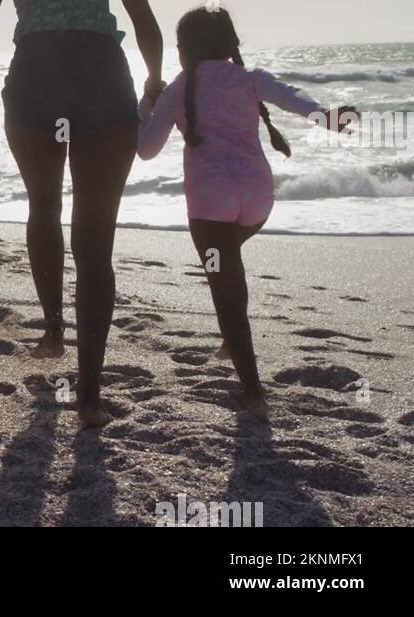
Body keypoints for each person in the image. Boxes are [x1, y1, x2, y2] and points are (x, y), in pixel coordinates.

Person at [0, 0, 164, 429]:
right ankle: (89, 398)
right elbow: (143, 17)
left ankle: (53, 331)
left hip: (36, 75)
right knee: (95, 241)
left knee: (43, 205)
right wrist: (153, 79)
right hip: (100, 74)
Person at [137, 7, 355, 421]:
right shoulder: (250, 78)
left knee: (226, 292)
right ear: (231, 45)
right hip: (258, 201)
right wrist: (330, 118)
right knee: (230, 266)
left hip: (210, 206)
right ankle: (230, 337)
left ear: (182, 51)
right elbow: (294, 98)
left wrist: (143, 107)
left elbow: (145, 150)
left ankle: (254, 394)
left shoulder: (177, 90)